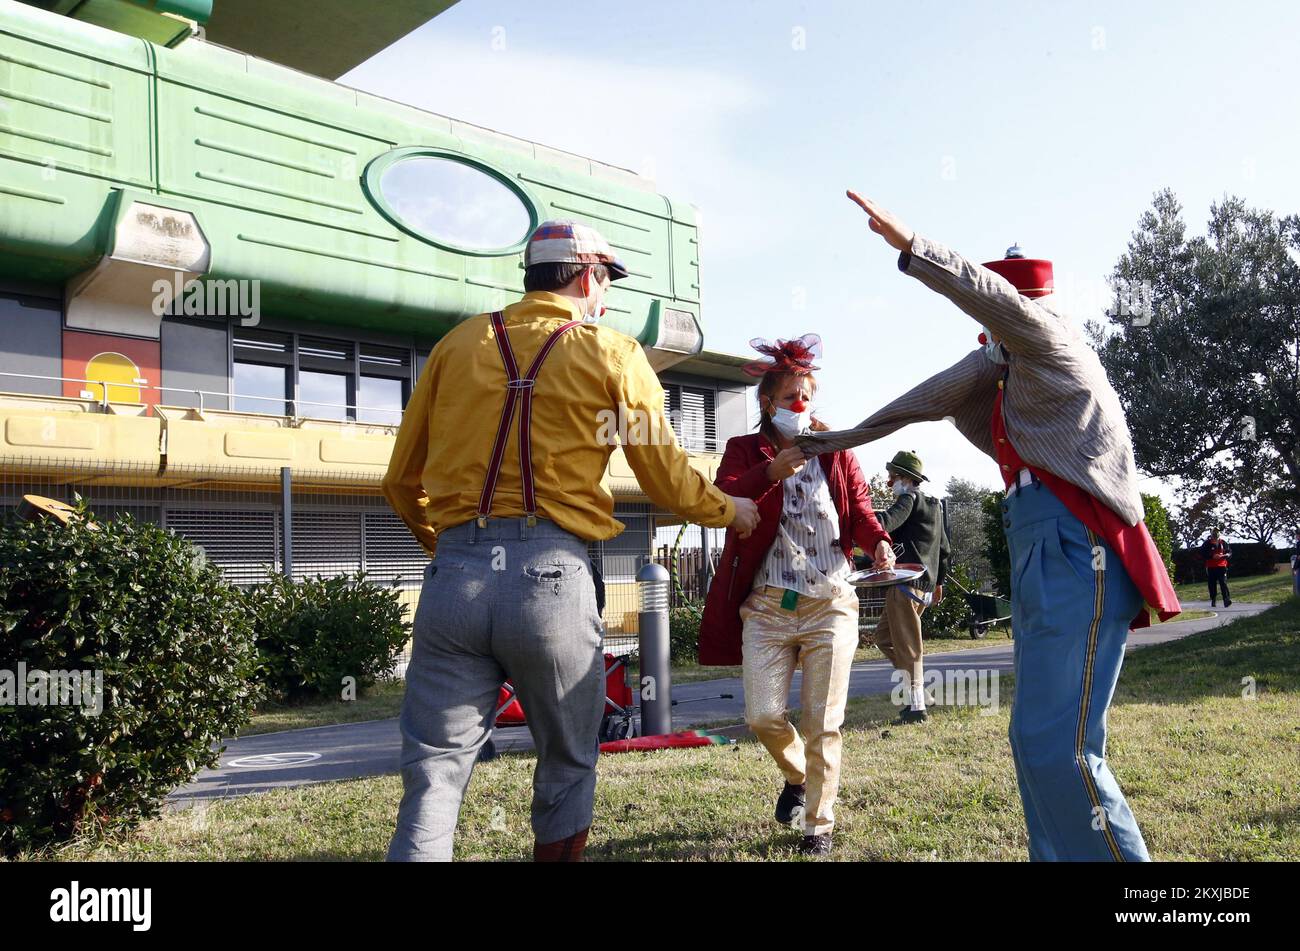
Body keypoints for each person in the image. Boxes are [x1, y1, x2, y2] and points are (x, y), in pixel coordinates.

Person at [797, 191, 1181, 862]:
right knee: (1031, 739)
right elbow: (924, 399)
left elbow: (988, 298)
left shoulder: (1048, 337)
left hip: (1076, 545)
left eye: (1000, 318)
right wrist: (833, 442)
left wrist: (914, 246)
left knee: (1061, 743)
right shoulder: (1004, 363)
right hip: (1037, 543)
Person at [382, 219, 760, 862]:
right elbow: (665, 480)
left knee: (434, 774)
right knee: (566, 760)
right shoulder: (612, 351)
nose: (606, 298)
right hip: (552, 578)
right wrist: (731, 511)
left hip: (455, 576)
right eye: (607, 283)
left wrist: (445, 546)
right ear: (588, 275)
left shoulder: (457, 344)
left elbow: (400, 480)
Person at [698, 334, 894, 856]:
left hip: (831, 599)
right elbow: (726, 496)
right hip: (767, 605)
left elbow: (862, 509)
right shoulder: (745, 449)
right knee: (761, 716)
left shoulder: (836, 450)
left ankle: (818, 825)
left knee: (822, 721)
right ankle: (795, 776)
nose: (801, 405)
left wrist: (878, 544)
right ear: (767, 402)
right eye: (790, 397)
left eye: (807, 395)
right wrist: (770, 471)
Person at [873, 450, 951, 724]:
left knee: (908, 647)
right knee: (885, 639)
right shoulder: (935, 506)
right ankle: (919, 690)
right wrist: (939, 583)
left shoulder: (909, 499)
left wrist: (861, 520)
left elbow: (887, 521)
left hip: (905, 584)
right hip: (923, 586)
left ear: (905, 478)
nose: (888, 481)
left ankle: (916, 708)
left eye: (892, 476)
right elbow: (943, 549)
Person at [1199, 529, 1233, 607]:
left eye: (1217, 532)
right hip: (1211, 567)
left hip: (1222, 566)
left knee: (1223, 582)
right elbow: (1202, 553)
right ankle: (1213, 599)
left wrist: (1226, 555)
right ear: (1211, 534)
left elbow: (1229, 552)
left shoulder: (1223, 542)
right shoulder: (1207, 543)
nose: (1216, 534)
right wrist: (1212, 556)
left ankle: (1226, 599)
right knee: (1212, 584)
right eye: (1214, 532)